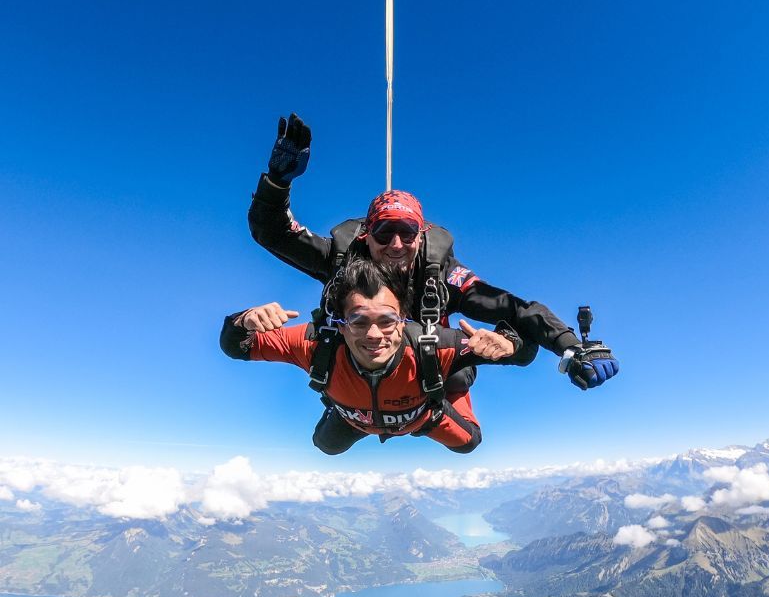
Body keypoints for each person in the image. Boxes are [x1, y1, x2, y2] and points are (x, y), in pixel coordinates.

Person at [247, 113, 619, 393]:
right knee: (329, 437)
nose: (395, 244)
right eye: (384, 232)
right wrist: (277, 182)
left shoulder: (440, 275)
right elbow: (273, 233)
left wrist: (572, 349)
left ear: (420, 236)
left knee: (471, 377)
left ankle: (425, 410)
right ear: (366, 236)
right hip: (360, 374)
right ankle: (357, 412)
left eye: (406, 233)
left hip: (426, 374)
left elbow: (516, 309)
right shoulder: (343, 260)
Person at [220, 259, 535, 455]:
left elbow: (524, 354)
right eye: (358, 321)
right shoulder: (314, 344)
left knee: (469, 443)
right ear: (340, 325)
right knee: (325, 446)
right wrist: (242, 320)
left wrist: (509, 343)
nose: (373, 335)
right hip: (356, 417)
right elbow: (236, 347)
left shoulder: (435, 344)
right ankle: (385, 412)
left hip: (422, 415)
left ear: (403, 320)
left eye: (386, 320)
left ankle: (449, 386)